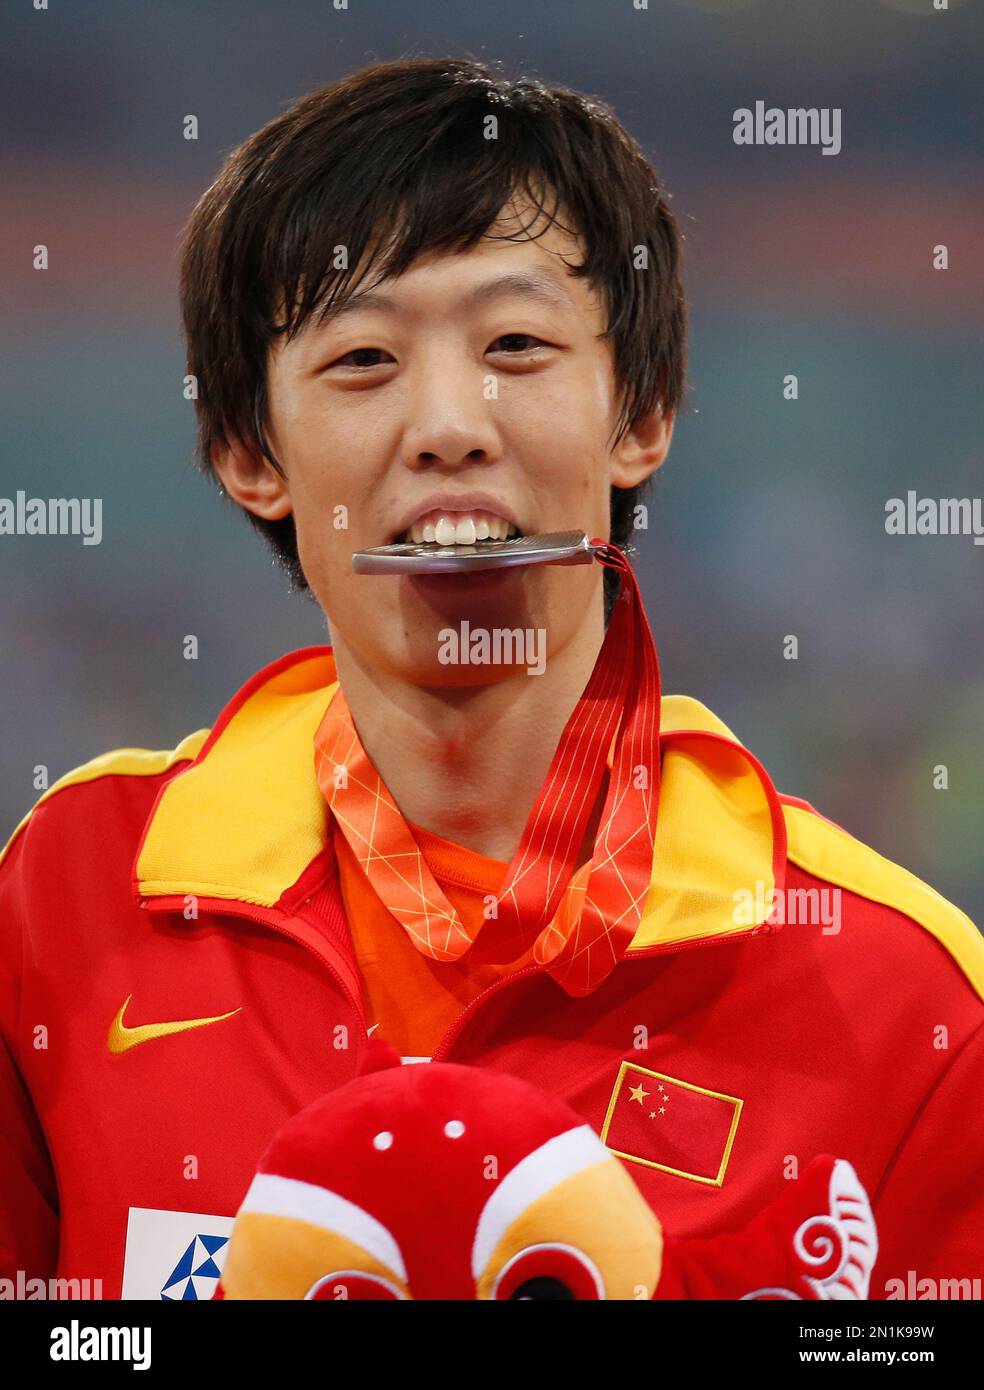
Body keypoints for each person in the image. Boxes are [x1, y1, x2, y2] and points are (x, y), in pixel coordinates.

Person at [1, 57, 980, 1303]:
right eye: (363, 359)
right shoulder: (68, 898)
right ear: (252, 453)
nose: (450, 422)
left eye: (516, 343)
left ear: (643, 412)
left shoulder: (904, 996)